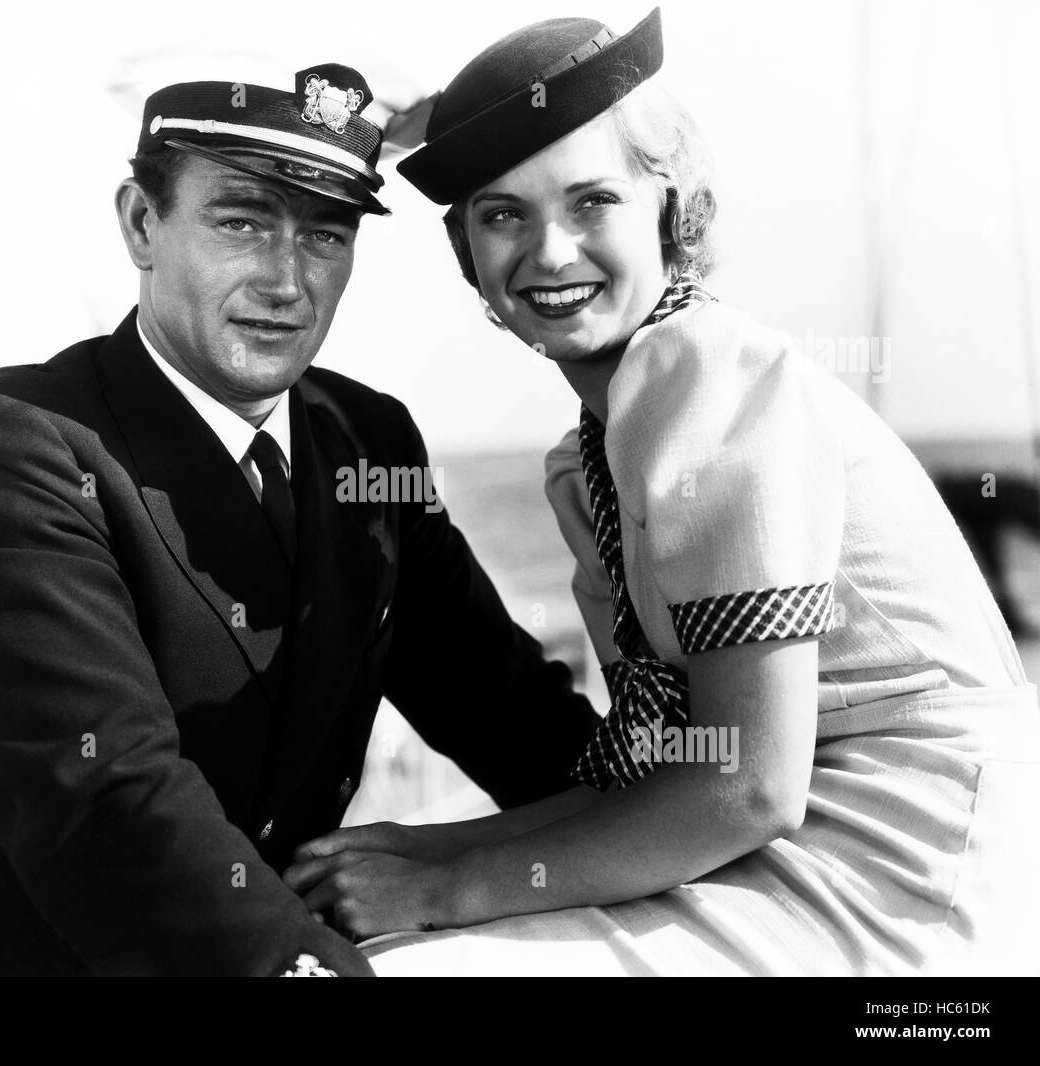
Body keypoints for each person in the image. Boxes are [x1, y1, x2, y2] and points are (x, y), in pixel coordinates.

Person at [284, 11, 1040, 975]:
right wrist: (430, 847)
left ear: (671, 213)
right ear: (469, 259)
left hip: (904, 871)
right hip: (807, 840)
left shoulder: (704, 378)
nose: (550, 252)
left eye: (592, 202)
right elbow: (671, 766)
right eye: (503, 213)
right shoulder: (598, 453)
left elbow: (747, 786)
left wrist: (445, 887)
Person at [0, 62, 599, 978]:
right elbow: (111, 808)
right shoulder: (8, 447)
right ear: (141, 224)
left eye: (324, 234)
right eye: (241, 222)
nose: (286, 281)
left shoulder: (366, 441)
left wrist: (696, 809)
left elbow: (511, 714)